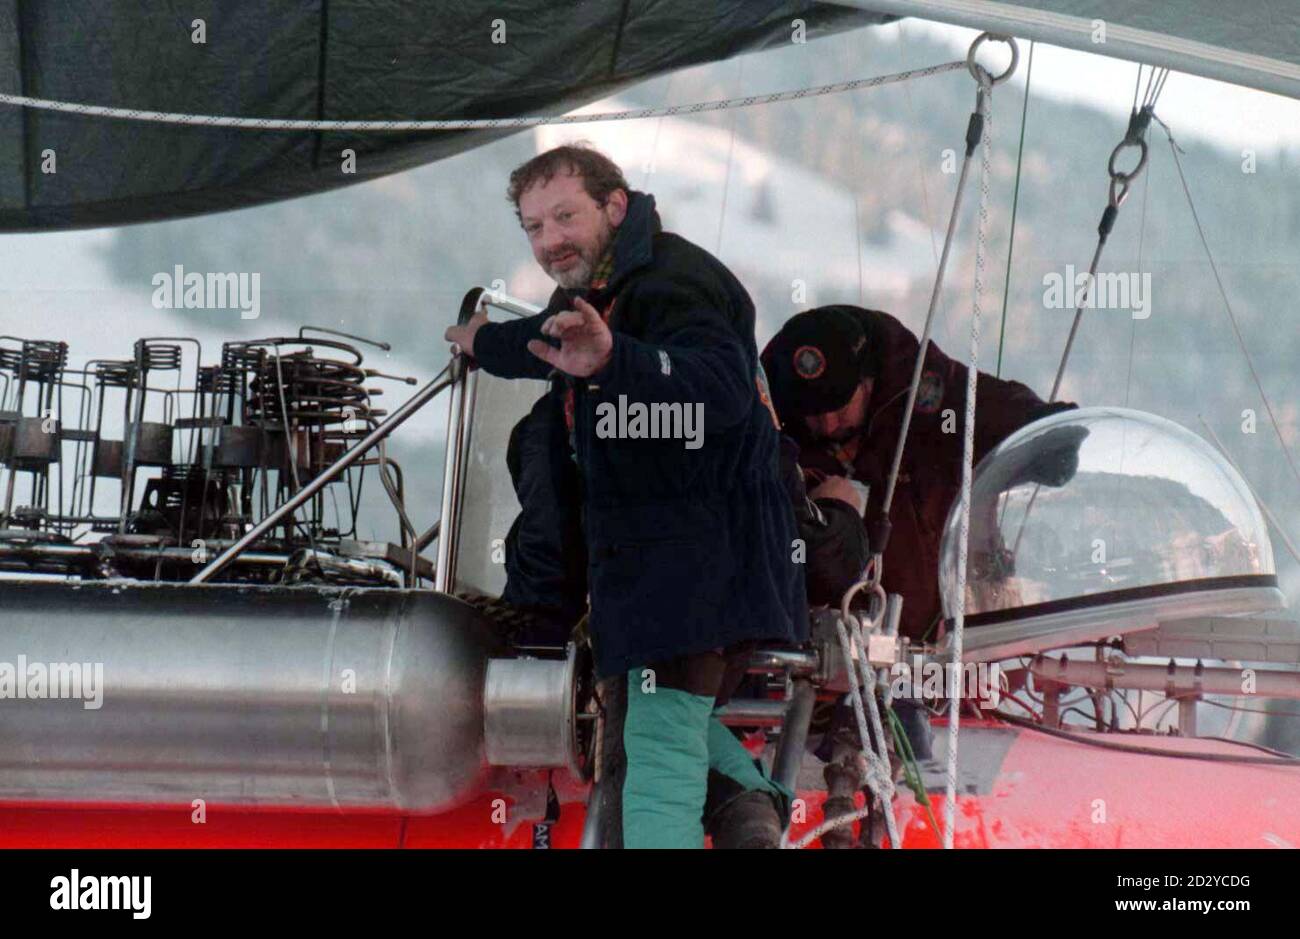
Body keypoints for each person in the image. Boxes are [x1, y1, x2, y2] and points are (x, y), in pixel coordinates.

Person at [444, 144, 804, 848]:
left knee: (661, 755)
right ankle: (750, 817)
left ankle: (750, 818)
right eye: (534, 227)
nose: (550, 240)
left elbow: (724, 387)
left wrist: (618, 360)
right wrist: (483, 343)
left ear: (615, 205)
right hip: (663, 574)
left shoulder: (676, 282)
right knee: (665, 722)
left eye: (564, 216)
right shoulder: (603, 286)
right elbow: (548, 341)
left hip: (692, 572)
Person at [761, 304, 1078, 644]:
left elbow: (1014, 421)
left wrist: (1049, 441)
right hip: (820, 654)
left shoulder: (935, 399)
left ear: (868, 383)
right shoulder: (773, 433)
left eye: (839, 408)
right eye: (812, 414)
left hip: (937, 653)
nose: (826, 424)